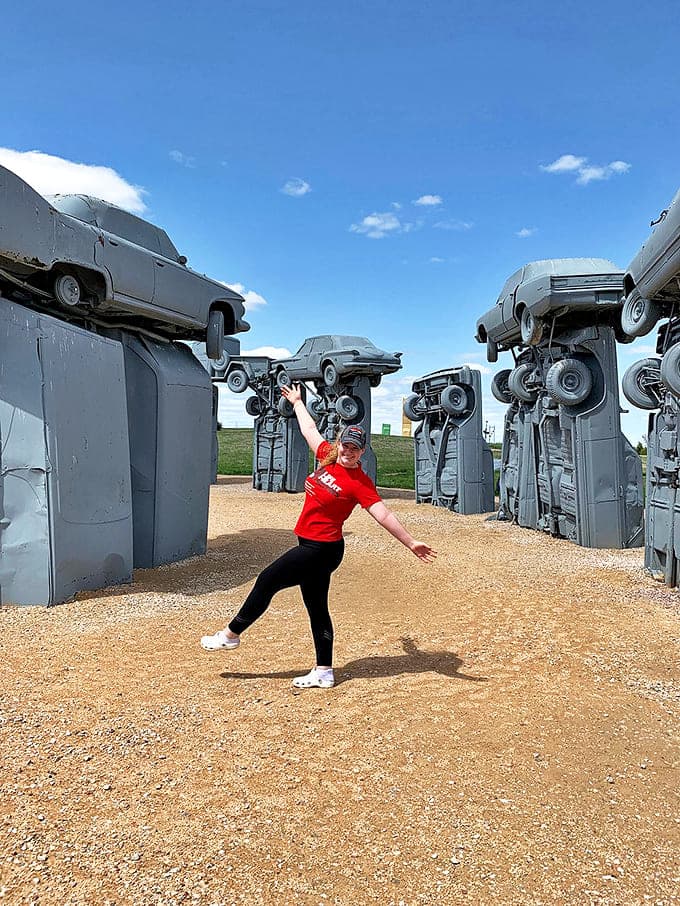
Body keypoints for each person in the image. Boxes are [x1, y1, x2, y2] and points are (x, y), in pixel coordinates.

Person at [200, 382, 437, 689]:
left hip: (322, 550)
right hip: (311, 545)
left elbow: (383, 514)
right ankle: (324, 671)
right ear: (339, 444)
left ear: (362, 451)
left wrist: (410, 542)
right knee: (316, 607)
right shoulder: (327, 456)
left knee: (267, 580)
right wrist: (298, 401)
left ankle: (231, 635)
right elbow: (309, 429)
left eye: (355, 449)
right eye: (346, 446)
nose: (349, 452)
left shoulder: (359, 482)